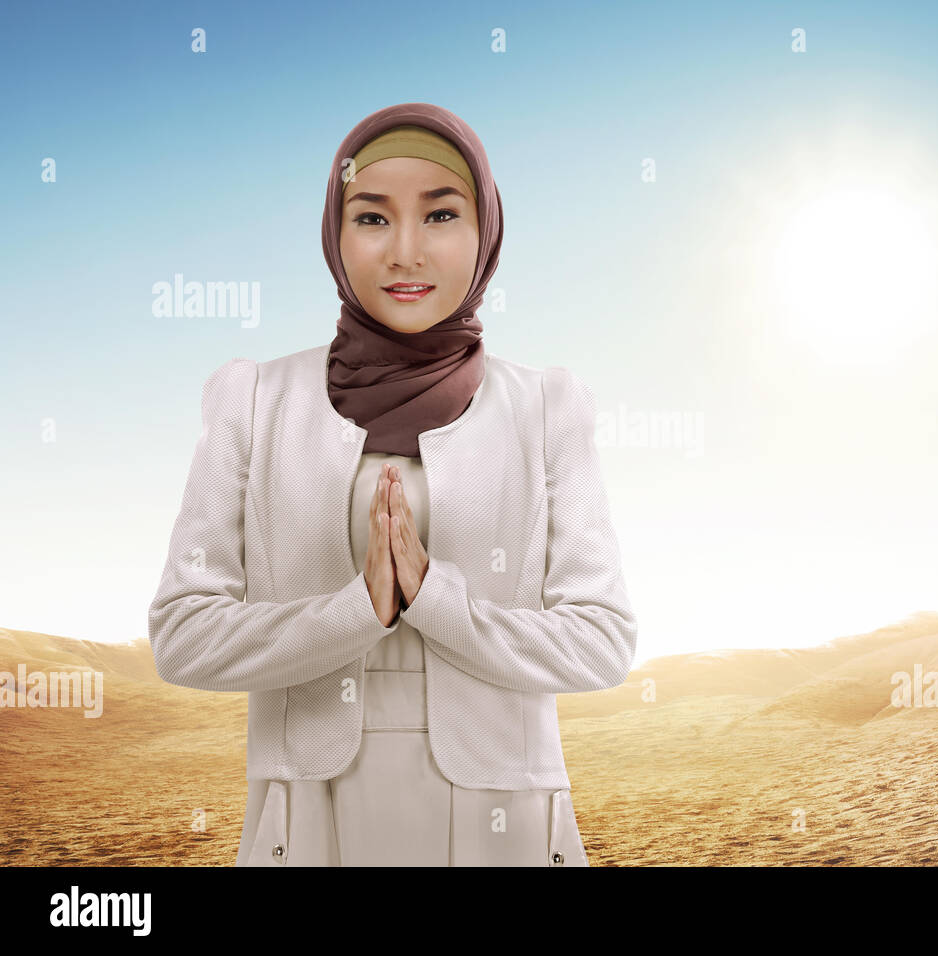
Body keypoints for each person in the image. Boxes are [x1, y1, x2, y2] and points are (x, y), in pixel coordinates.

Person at [147, 102, 637, 866]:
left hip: (503, 826)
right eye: (372, 219)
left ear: (486, 235)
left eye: (441, 215)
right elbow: (182, 635)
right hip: (310, 825)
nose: (406, 252)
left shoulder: (547, 408)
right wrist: (355, 612)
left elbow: (602, 643)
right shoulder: (253, 400)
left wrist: (435, 603)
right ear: (335, 239)